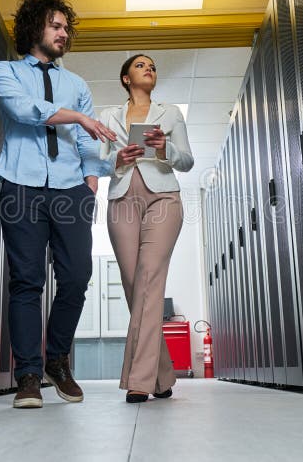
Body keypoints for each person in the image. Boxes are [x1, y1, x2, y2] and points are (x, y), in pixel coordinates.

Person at [0, 0, 116, 409]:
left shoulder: (76, 83)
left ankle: (56, 359)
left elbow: (85, 141)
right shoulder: (4, 71)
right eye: (55, 25)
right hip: (21, 185)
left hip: (70, 189)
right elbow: (24, 110)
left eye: (66, 28)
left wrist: (92, 180)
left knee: (77, 277)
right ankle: (27, 373)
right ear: (34, 27)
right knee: (27, 281)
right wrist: (79, 116)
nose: (63, 33)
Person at [99, 54, 194, 403]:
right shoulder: (108, 115)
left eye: (153, 66)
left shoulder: (170, 113)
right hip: (122, 198)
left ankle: (138, 380)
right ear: (126, 78)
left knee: (151, 277)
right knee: (135, 286)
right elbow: (97, 159)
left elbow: (187, 160)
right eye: (141, 66)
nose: (149, 69)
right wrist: (116, 159)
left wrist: (164, 147)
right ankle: (162, 375)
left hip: (163, 199)